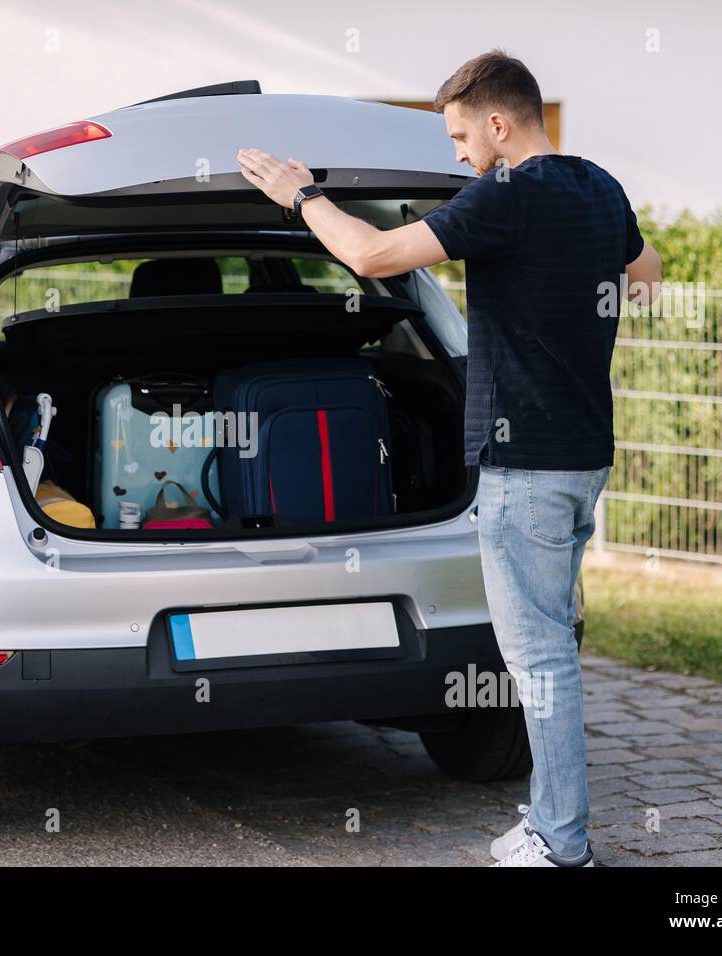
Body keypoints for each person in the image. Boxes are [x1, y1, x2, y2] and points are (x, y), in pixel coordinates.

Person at [237, 49, 662, 867]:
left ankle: (561, 842)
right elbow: (646, 276)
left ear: (500, 123)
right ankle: (550, 820)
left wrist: (300, 195)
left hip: (525, 470)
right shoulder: (598, 186)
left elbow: (370, 256)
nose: (460, 156)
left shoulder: (504, 197)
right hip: (582, 458)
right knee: (549, 648)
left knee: (539, 660)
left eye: (464, 136)